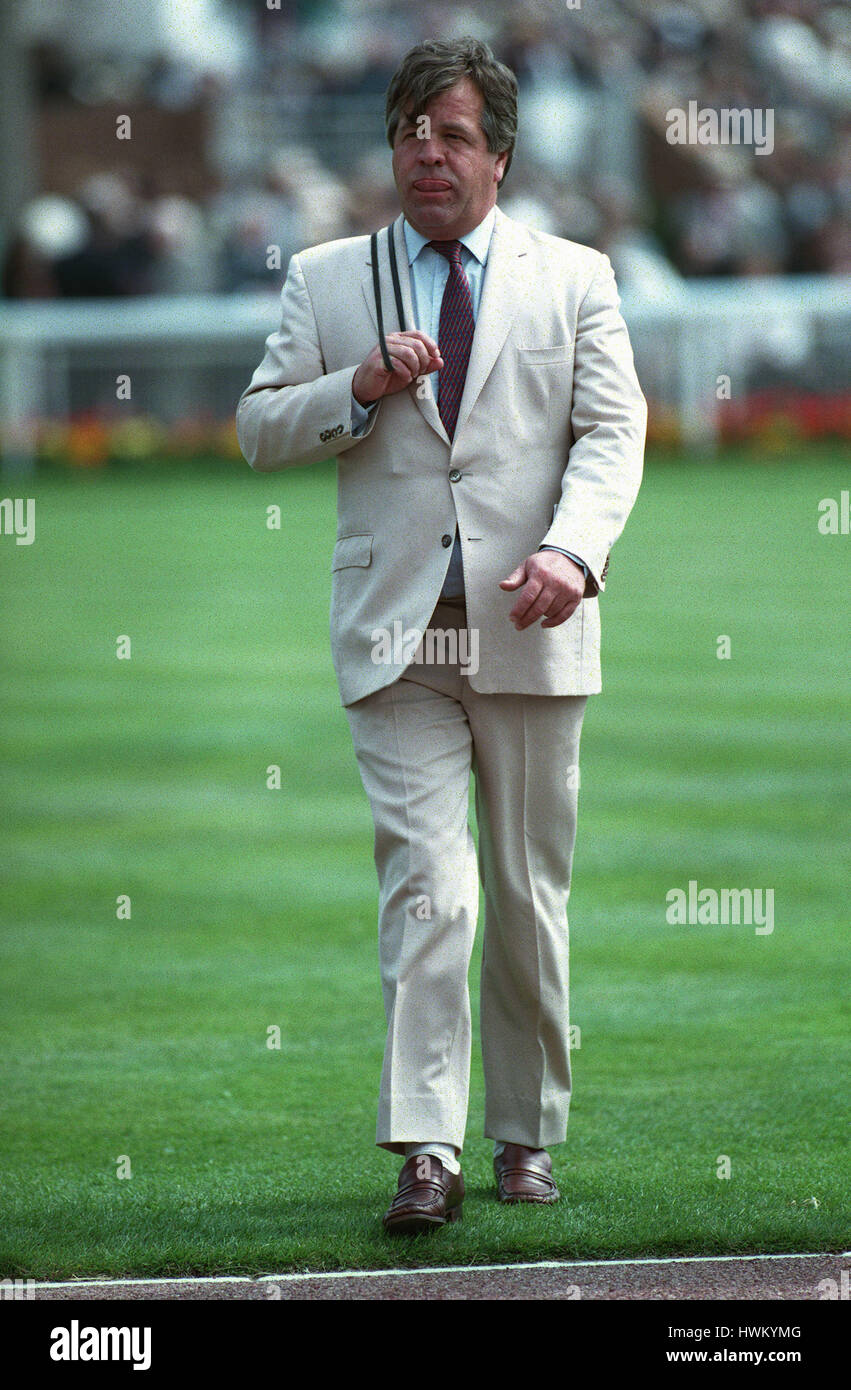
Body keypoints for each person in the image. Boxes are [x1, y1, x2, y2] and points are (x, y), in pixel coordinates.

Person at [236, 37, 646, 1234]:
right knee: (431, 894)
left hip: (530, 621)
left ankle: (526, 1138)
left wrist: (572, 552)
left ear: (498, 155)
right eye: (410, 130)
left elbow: (610, 438)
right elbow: (258, 430)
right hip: (397, 638)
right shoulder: (324, 279)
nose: (427, 151)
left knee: (525, 896)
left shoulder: (576, 277)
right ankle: (426, 1148)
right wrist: (354, 387)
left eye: (452, 133)